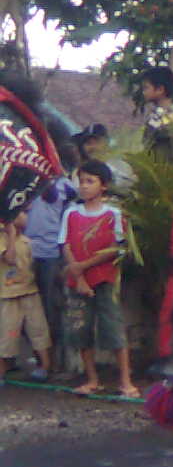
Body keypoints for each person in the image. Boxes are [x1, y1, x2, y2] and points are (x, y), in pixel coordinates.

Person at [60, 159, 139, 398]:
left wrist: (83, 266)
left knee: (114, 329)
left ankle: (125, 381)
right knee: (81, 331)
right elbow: (65, 244)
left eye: (89, 181)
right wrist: (78, 274)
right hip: (78, 282)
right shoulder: (71, 213)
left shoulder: (114, 214)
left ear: (103, 186)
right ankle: (92, 379)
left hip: (105, 279)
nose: (84, 186)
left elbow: (117, 248)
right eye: (81, 181)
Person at [24, 160, 76, 373]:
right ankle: (38, 358)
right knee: (27, 307)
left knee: (50, 306)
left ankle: (53, 361)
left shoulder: (65, 186)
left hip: (51, 254)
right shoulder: (26, 181)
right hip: (26, 253)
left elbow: (71, 215)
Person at [0, 210, 52, 380]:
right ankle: (3, 370)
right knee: (9, 333)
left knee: (38, 329)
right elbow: (10, 259)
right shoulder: (2, 240)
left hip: (29, 292)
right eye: (19, 214)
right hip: (9, 295)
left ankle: (44, 366)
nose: (24, 217)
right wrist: (11, 234)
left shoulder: (27, 241)